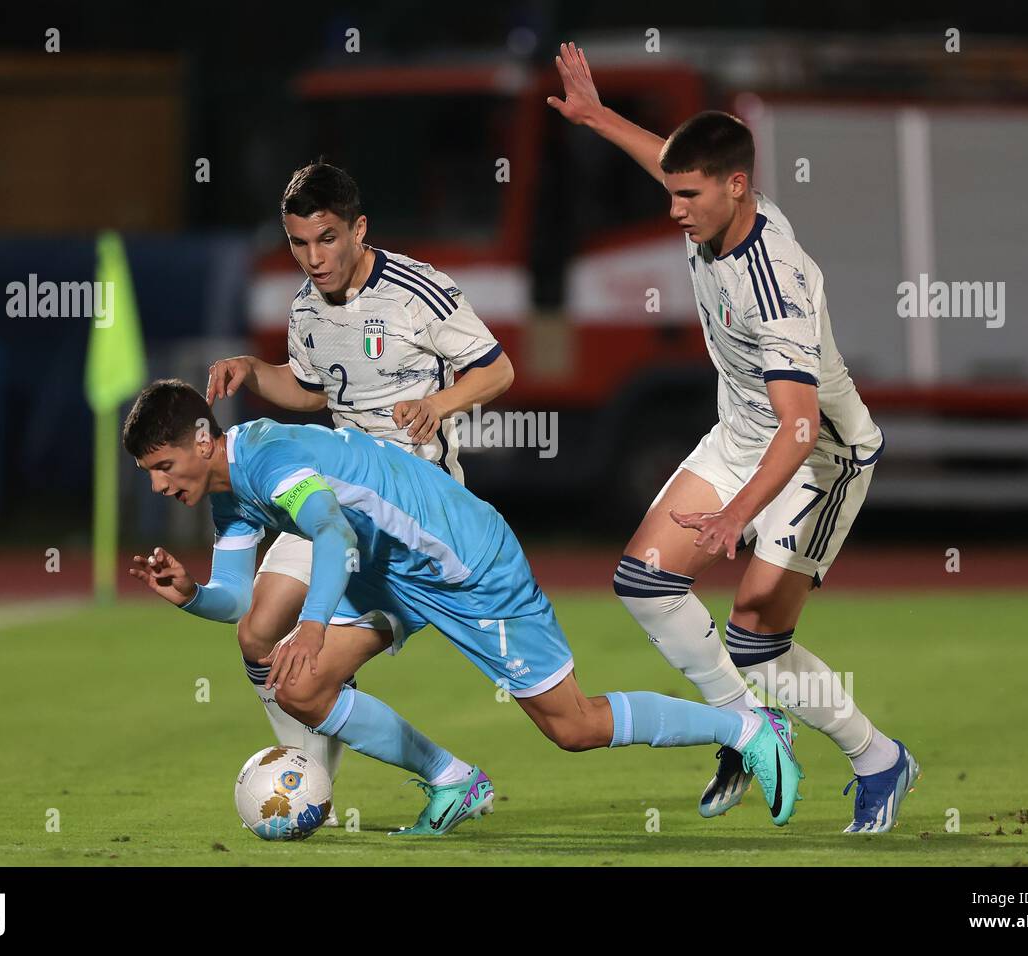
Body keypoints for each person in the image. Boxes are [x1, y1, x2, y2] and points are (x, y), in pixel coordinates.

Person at [124, 380, 803, 835]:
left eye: (162, 466)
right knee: (297, 683)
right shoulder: (225, 492)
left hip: (464, 563)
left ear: (204, 440)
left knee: (573, 726)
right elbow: (237, 598)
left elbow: (329, 531)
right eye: (148, 474)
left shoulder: (268, 461)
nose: (158, 485)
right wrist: (189, 595)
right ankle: (453, 780)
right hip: (390, 570)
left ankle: (745, 729)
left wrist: (309, 623)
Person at [548, 42, 918, 833]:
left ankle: (877, 759)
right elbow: (671, 162)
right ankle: (749, 726)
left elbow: (801, 423)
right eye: (673, 192)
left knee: (756, 635)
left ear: (736, 189)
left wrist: (732, 518)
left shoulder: (773, 287)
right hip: (743, 434)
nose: (672, 209)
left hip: (820, 457)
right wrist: (597, 115)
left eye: (687, 195)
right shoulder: (714, 205)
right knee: (643, 583)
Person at [205, 163, 513, 822]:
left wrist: (439, 403)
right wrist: (255, 371)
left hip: (413, 514)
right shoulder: (306, 308)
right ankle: (305, 773)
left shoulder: (418, 291)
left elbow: (496, 369)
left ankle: (454, 778)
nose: (312, 258)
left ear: (358, 228)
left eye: (326, 239)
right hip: (335, 492)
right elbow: (312, 389)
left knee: (307, 675)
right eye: (298, 243)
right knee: (257, 636)